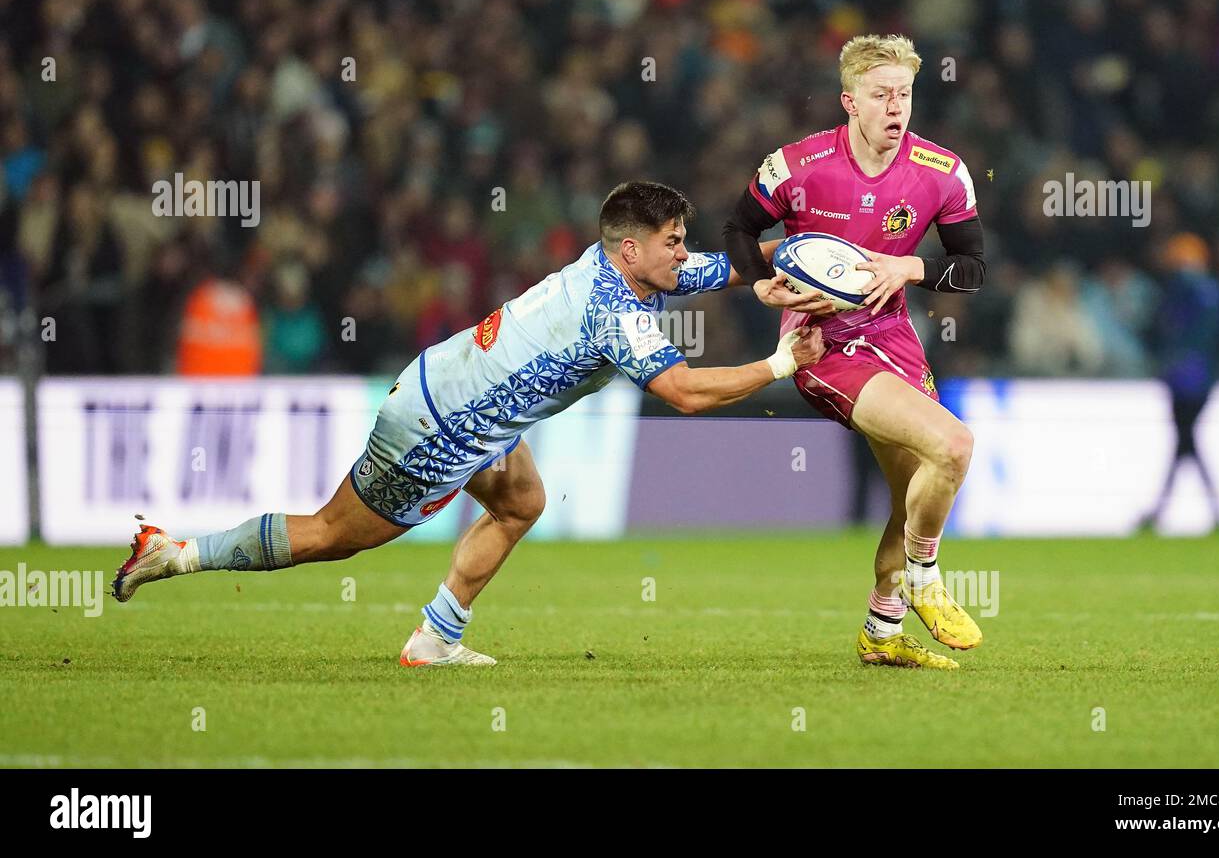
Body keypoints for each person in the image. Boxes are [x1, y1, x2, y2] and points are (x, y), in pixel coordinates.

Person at [112, 181, 826, 665]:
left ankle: (436, 639)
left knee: (522, 501)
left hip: (453, 391)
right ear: (632, 250)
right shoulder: (613, 308)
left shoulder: (627, 268)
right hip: (439, 425)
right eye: (673, 240)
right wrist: (779, 364)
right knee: (332, 535)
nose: (683, 250)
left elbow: (724, 268)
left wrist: (808, 255)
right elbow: (685, 392)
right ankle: (175, 554)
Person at [724, 34, 985, 670]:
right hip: (821, 344)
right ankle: (925, 578)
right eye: (881, 95)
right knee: (952, 447)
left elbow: (972, 268)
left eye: (905, 95)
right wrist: (758, 284)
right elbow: (739, 230)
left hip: (894, 337)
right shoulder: (796, 165)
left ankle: (882, 630)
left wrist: (911, 269)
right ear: (850, 101)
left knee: (913, 492)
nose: (896, 108)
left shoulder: (942, 173)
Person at [1139, 233, 1219, 533]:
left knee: (1185, 440)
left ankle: (1164, 510)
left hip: (1185, 378)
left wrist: (1169, 365)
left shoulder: (1182, 289)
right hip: (1200, 376)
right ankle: (1205, 509)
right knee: (1186, 442)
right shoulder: (1211, 290)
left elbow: (1166, 331)